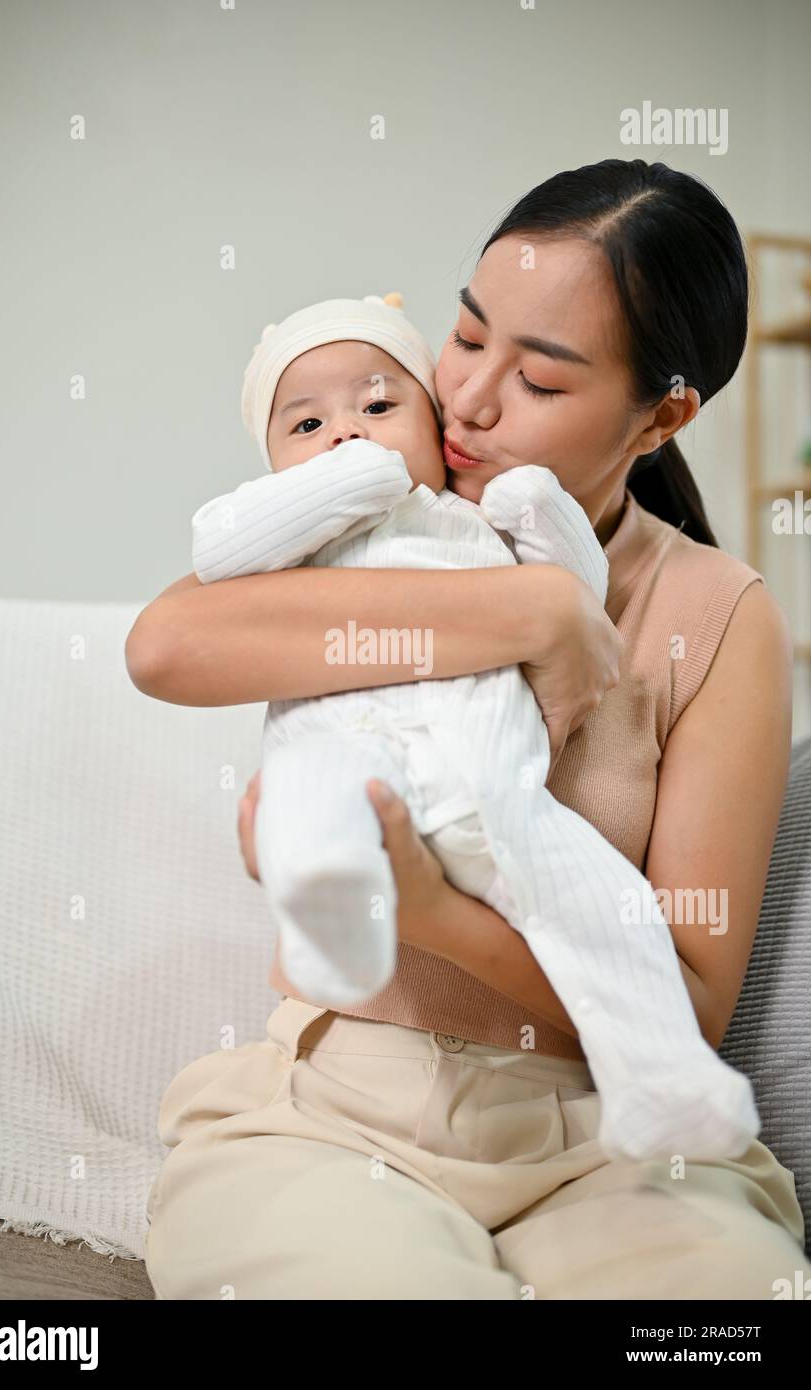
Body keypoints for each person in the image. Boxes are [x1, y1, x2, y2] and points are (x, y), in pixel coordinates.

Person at [127, 159, 810, 1299]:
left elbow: (684, 998)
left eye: (540, 382)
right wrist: (531, 609)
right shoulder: (357, 515)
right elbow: (163, 647)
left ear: (664, 413)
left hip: (605, 1137)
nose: (471, 398)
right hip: (337, 1119)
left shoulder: (719, 617)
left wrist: (434, 912)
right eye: (466, 333)